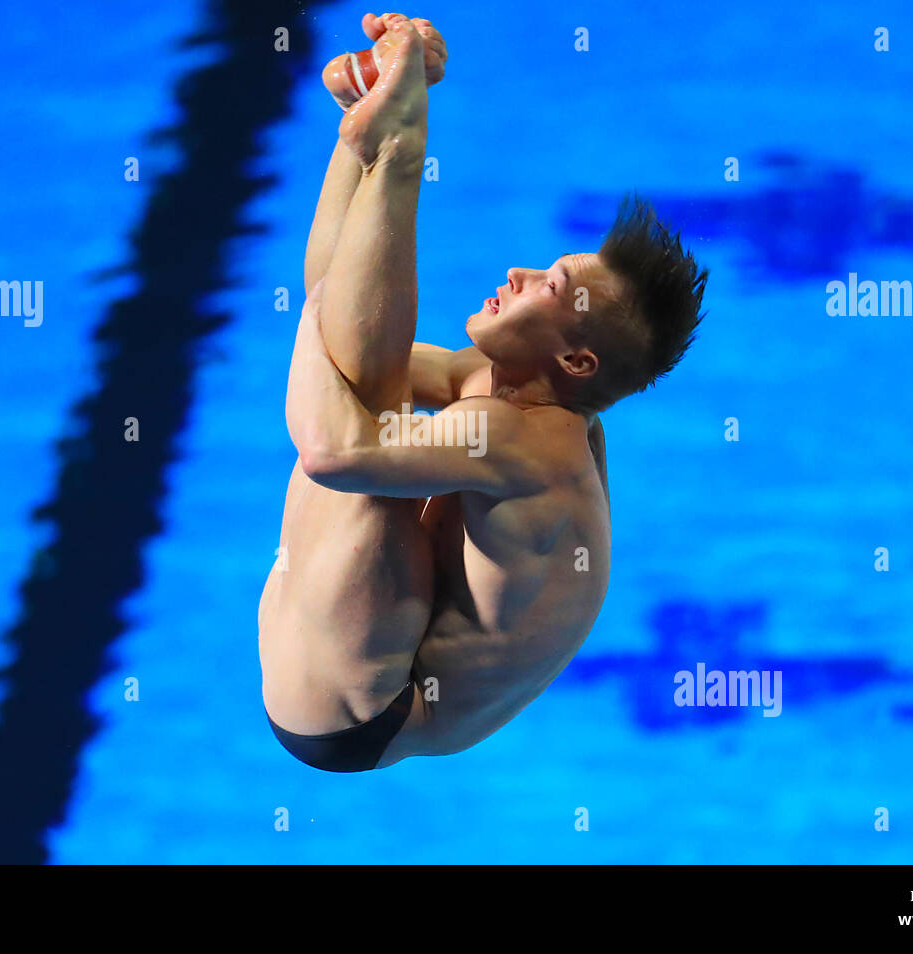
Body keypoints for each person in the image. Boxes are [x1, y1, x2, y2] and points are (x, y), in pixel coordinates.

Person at [258, 12, 707, 771]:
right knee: (373, 375)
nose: (521, 275)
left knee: (366, 415)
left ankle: (399, 150)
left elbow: (333, 450)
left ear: (577, 361)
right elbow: (359, 337)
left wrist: (313, 305)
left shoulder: (534, 442)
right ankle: (376, 142)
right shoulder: (508, 389)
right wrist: (351, 152)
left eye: (552, 287)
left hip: (362, 707)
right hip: (340, 650)